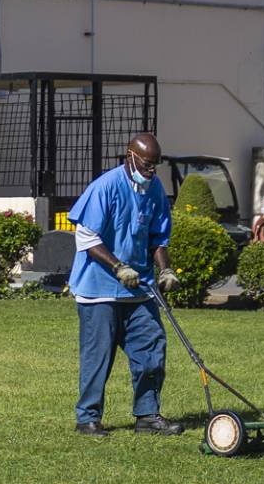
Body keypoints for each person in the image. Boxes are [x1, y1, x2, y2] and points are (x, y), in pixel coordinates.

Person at [65, 131, 180, 437]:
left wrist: (166, 270)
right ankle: (87, 419)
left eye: (156, 164)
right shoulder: (105, 186)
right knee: (98, 356)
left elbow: (157, 238)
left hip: (138, 289)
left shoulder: (154, 189)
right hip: (98, 289)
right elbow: (87, 237)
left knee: (151, 347)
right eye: (146, 163)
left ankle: (147, 415)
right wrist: (117, 266)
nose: (151, 170)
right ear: (130, 156)